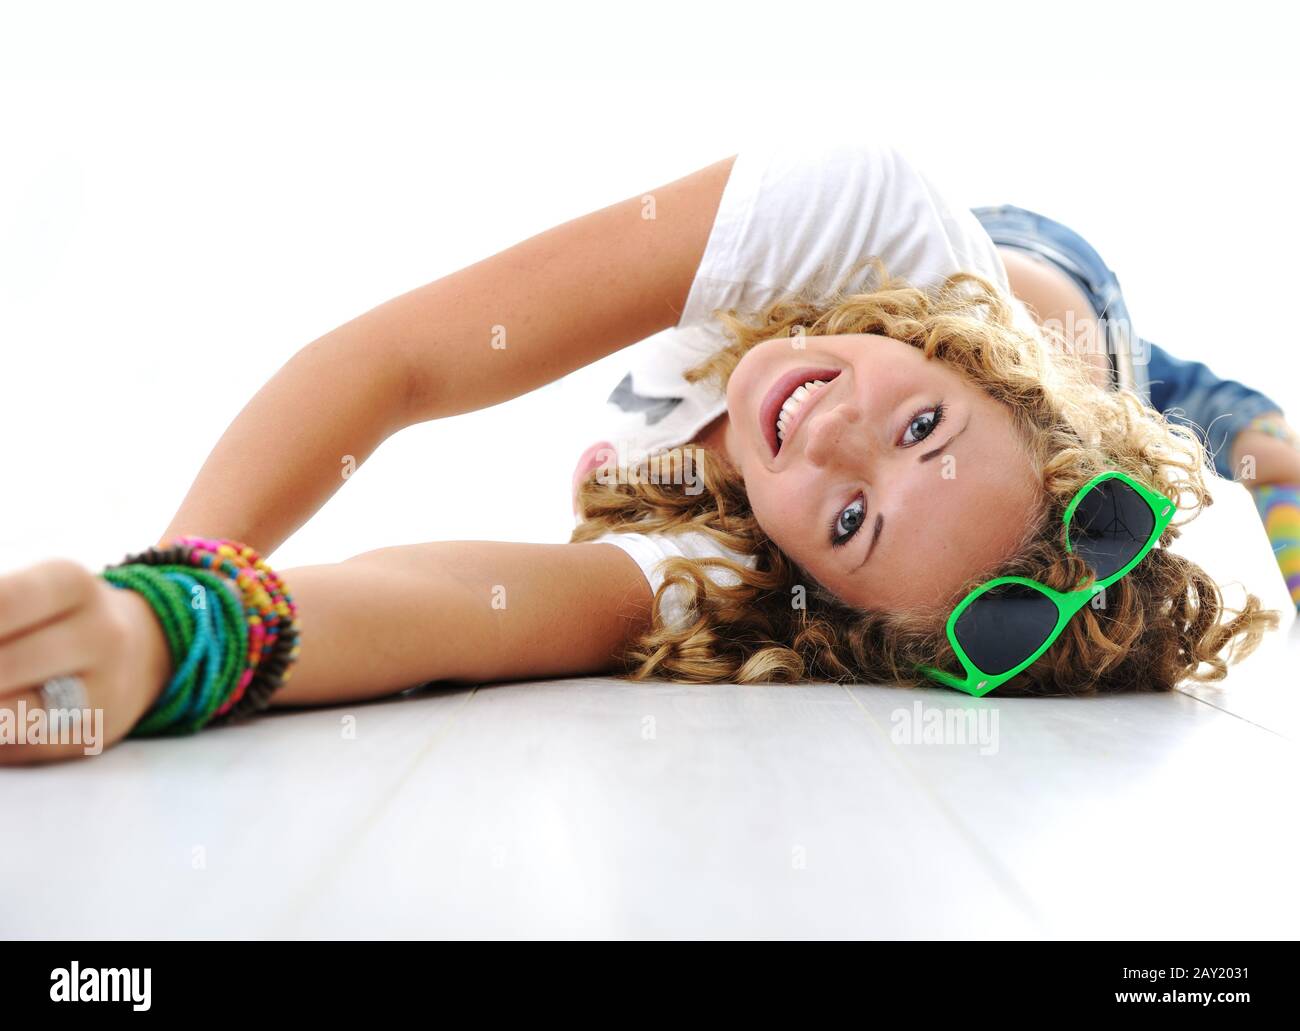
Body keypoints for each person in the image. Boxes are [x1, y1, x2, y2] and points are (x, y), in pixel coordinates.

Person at [0, 141, 1291, 764]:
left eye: (851, 524)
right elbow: (401, 364)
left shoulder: (733, 581)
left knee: (1106, 470)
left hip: (1017, 429)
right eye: (920, 429)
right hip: (1047, 286)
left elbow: (444, 611)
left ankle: (1212, 439)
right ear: (964, 373)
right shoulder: (856, 215)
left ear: (826, 600)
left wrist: (162, 640)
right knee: (1148, 386)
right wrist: (175, 565)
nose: (836, 435)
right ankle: (1238, 429)